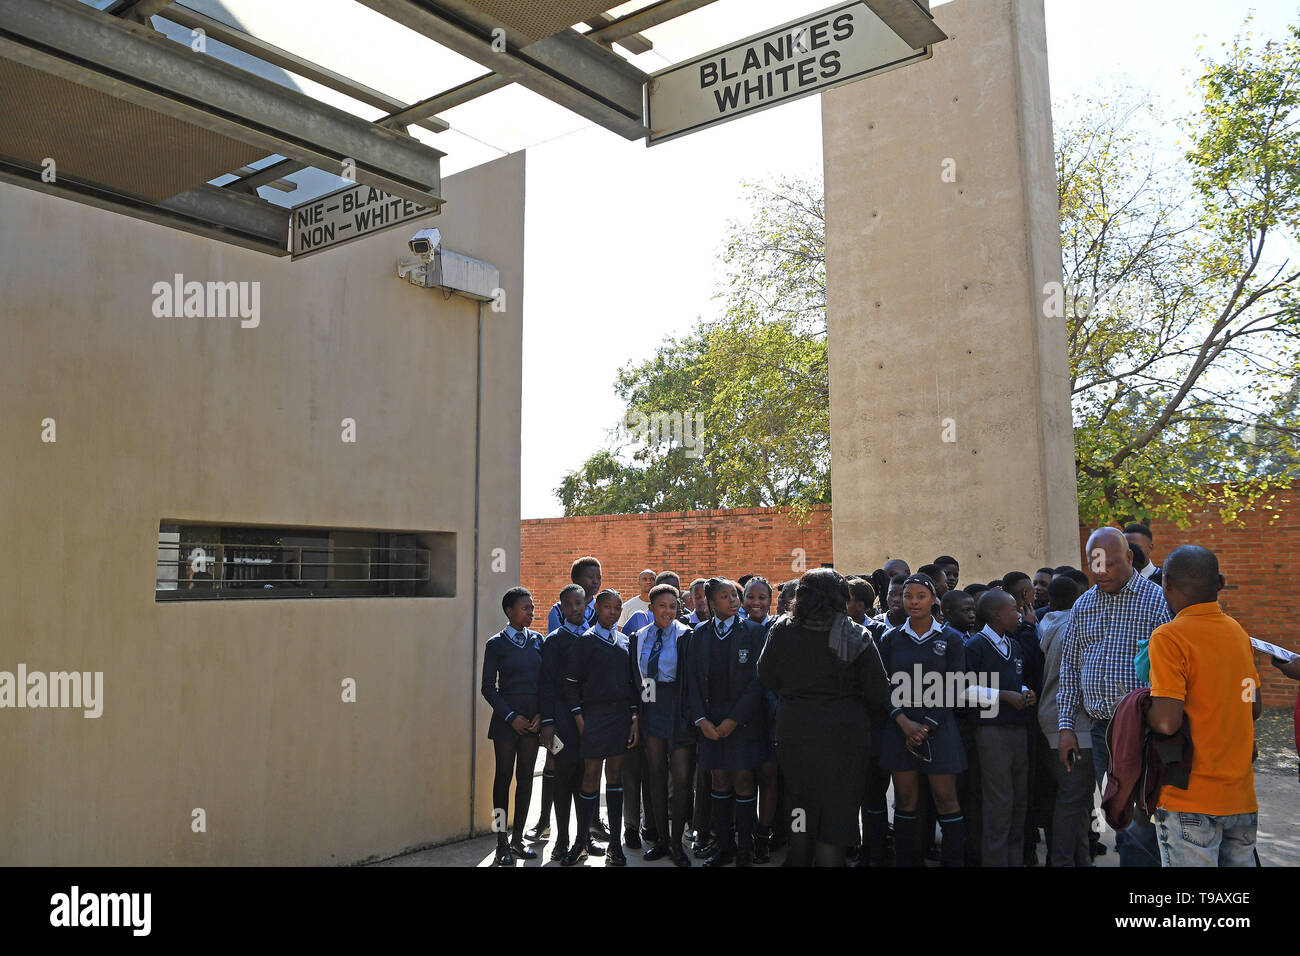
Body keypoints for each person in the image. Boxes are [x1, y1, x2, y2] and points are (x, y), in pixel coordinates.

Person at [758, 568, 890, 866]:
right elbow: (878, 692)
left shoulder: (782, 629)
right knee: (837, 812)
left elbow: (765, 675)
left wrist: (797, 695)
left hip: (796, 731)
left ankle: (797, 857)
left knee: (800, 803)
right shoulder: (856, 634)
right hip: (844, 735)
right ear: (841, 597)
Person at [1058, 526, 1170, 867]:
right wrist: (1066, 727)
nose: (1101, 570)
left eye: (1110, 562)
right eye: (1094, 563)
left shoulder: (1157, 601)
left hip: (1143, 732)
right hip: (1099, 730)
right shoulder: (1083, 605)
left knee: (1141, 823)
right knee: (1117, 815)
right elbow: (1070, 669)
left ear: (1131, 558)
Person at [1147, 546, 1261, 866]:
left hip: (1189, 797)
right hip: (1240, 796)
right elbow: (1253, 706)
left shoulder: (1168, 637)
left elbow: (1167, 722)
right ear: (1220, 582)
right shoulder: (1238, 633)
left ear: (1166, 584)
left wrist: (1141, 707)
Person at [878, 573, 969, 867]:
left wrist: (927, 724)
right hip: (900, 728)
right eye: (908, 596)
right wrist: (904, 722)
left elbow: (955, 686)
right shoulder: (890, 638)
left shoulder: (951, 638)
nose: (913, 602)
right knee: (905, 801)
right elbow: (882, 686)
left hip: (938, 729)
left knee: (946, 800)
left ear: (933, 600)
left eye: (921, 596)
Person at [685, 578, 768, 867]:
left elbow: (758, 683)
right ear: (710, 603)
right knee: (718, 781)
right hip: (710, 724)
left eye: (735, 594)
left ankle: (744, 850)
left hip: (742, 724)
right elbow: (691, 682)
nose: (733, 600)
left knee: (744, 780)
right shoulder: (699, 634)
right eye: (724, 596)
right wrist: (701, 721)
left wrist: (734, 720)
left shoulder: (755, 632)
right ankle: (724, 846)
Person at [561, 590, 639, 866]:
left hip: (619, 718)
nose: (614, 612)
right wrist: (579, 718)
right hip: (592, 717)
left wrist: (633, 718)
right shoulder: (585, 641)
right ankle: (580, 841)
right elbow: (570, 684)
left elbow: (633, 686)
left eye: (618, 608)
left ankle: (615, 845)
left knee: (614, 776)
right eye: (608, 607)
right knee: (591, 774)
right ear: (597, 608)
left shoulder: (626, 642)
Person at [965, 590, 1036, 867]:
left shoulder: (1014, 645)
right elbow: (964, 690)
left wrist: (1026, 692)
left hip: (1017, 730)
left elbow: (1015, 680)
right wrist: (1005, 696)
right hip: (991, 731)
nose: (1019, 614)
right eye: (1013, 610)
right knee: (999, 803)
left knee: (1019, 802)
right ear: (996, 614)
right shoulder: (976, 646)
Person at [629, 583, 694, 866]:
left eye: (673, 606)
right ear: (651, 608)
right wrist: (638, 713)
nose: (668, 611)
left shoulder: (686, 635)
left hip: (677, 708)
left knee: (681, 778)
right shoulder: (638, 637)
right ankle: (661, 840)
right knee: (654, 774)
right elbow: (637, 679)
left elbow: (692, 680)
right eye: (662, 606)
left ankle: (678, 842)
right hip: (650, 706)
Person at [538, 584, 603, 862]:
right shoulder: (554, 640)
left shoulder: (593, 637)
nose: (577, 609)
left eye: (581, 604)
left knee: (587, 780)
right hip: (563, 721)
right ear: (562, 608)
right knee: (564, 781)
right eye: (571, 604)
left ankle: (584, 838)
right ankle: (561, 839)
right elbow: (547, 685)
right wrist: (549, 722)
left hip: (590, 721)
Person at [481, 587, 544, 865]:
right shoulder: (495, 644)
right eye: (526, 608)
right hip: (507, 724)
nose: (531, 612)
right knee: (503, 778)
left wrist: (542, 714)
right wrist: (510, 717)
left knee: (527, 779)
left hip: (533, 723)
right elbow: (487, 688)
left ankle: (518, 839)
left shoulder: (538, 641)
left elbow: (546, 683)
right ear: (509, 611)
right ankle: (501, 841)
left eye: (532, 607)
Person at [1037, 575, 1093, 867]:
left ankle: (1080, 860)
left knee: (1076, 801)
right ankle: (1062, 861)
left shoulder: (1048, 624)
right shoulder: (1076, 626)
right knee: (1072, 800)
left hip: (1053, 717)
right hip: (1070, 722)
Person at [743, 577, 780, 863]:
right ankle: (741, 835)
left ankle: (763, 836)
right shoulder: (736, 629)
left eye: (762, 598)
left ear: (770, 601)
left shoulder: (779, 629)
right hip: (742, 715)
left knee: (768, 777)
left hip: (772, 714)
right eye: (750, 597)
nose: (756, 603)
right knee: (742, 778)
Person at [546, 556, 601, 634]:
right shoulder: (558, 610)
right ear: (575, 579)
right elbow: (554, 641)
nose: (595, 581)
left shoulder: (602, 609)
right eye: (590, 577)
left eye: (599, 578)